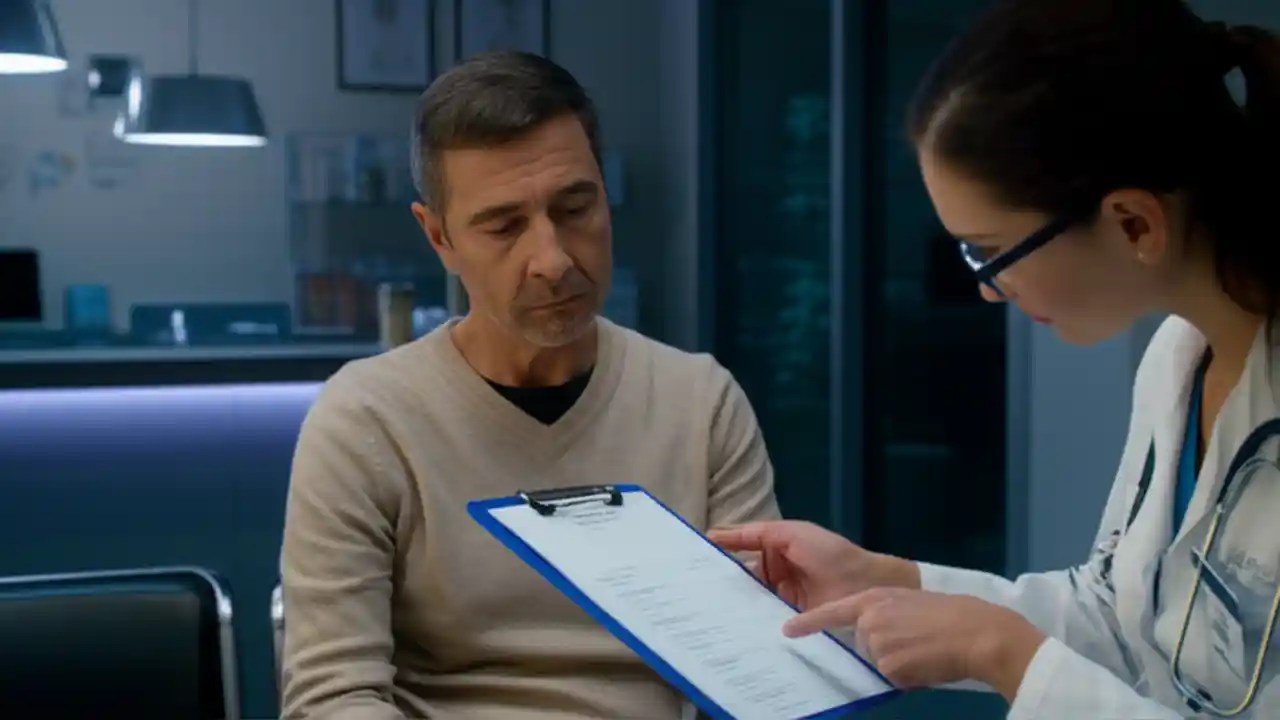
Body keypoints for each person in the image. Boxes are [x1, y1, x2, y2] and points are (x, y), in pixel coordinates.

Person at [713, 1, 1280, 718]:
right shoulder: (1178, 358)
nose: (985, 289)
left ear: (1133, 222)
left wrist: (1007, 656)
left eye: (991, 251)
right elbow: (1121, 619)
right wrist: (884, 581)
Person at [279, 51, 780, 719]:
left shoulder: (700, 403)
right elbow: (334, 696)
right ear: (438, 237)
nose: (552, 260)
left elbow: (759, 668)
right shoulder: (368, 418)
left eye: (575, 207)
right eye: (503, 226)